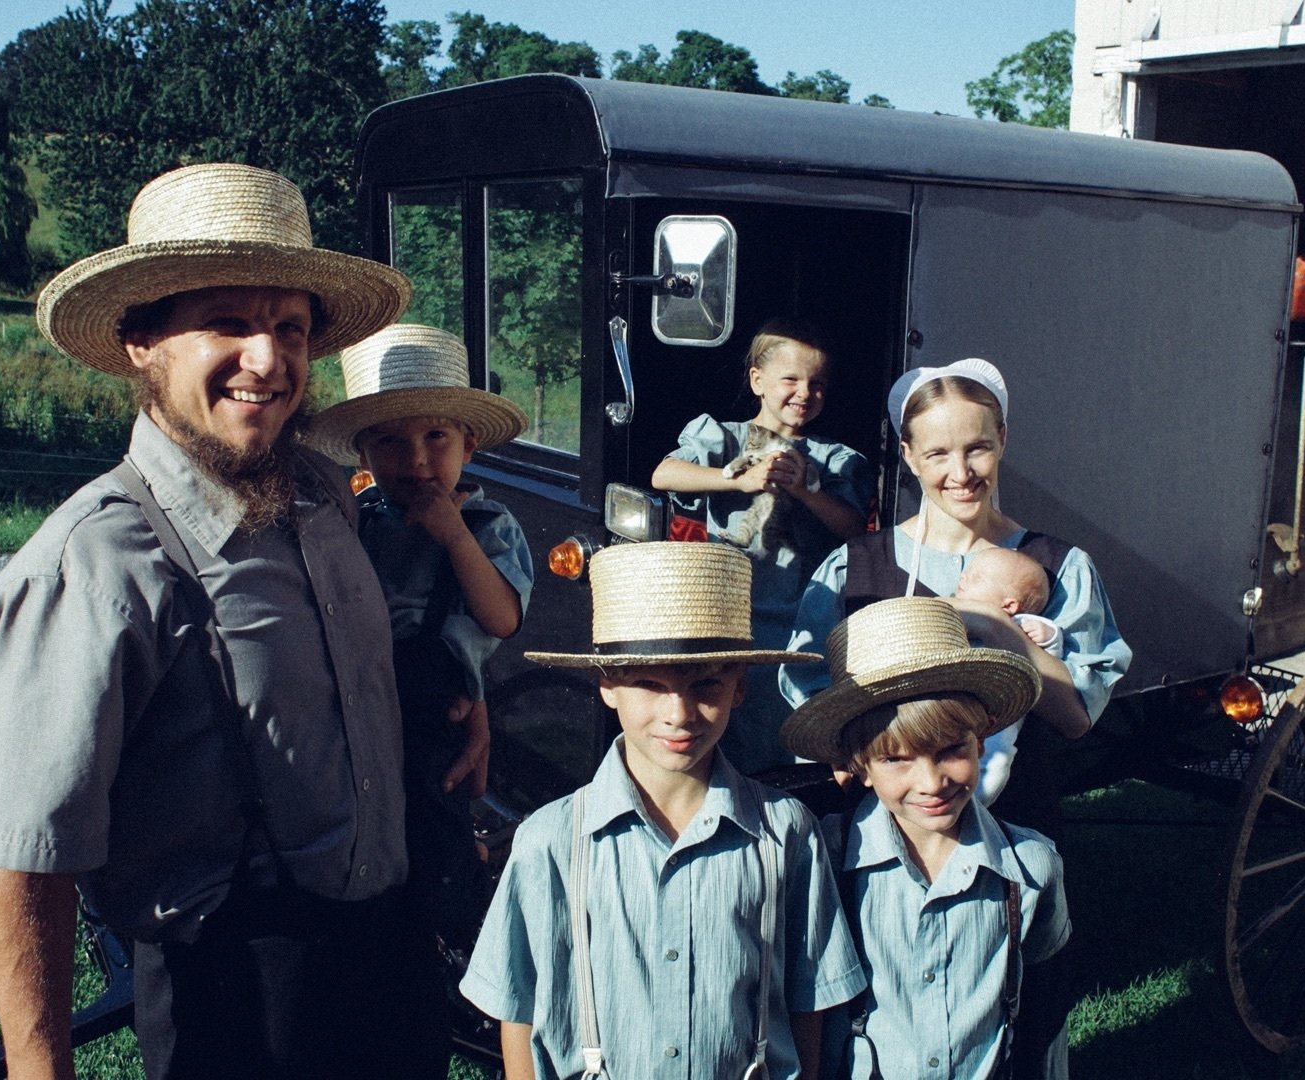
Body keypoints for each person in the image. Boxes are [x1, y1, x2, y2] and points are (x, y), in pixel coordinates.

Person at [0, 162, 471, 1079]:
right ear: (141, 340)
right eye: (228, 324)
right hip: (236, 1003)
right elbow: (26, 864)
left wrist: (456, 695)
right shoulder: (92, 563)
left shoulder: (327, 496)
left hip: (391, 956)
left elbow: (345, 670)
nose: (268, 359)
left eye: (288, 326)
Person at [461, 541, 866, 1080]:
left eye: (706, 685)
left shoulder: (787, 833)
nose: (678, 714)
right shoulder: (551, 840)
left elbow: (809, 1004)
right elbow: (519, 1007)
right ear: (608, 685)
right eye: (649, 684)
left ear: (739, 687)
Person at [781, 357, 1131, 831]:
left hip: (1010, 821)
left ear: (1003, 439)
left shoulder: (1055, 566)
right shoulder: (857, 566)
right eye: (938, 454)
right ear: (907, 455)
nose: (961, 472)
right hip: (878, 825)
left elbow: (1074, 716)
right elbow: (810, 691)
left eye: (978, 448)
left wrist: (993, 623)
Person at [780, 596, 1071, 1080]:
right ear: (860, 766)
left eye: (950, 750)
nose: (932, 782)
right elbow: (806, 1002)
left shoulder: (1033, 866)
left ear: (981, 740)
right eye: (897, 759)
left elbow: (1046, 1003)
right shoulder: (826, 859)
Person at [307, 322, 533, 945]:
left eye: (436, 437)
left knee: (436, 810)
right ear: (363, 456)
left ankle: (450, 926)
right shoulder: (360, 521)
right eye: (390, 442)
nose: (415, 460)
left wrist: (453, 535)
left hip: (440, 704)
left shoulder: (488, 524)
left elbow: (501, 618)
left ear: (470, 446)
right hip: (364, 696)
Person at [651, 317, 870, 775]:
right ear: (757, 380)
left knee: (790, 718)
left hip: (802, 617)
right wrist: (738, 478)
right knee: (729, 718)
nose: (804, 393)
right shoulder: (722, 436)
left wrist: (808, 492)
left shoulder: (833, 458)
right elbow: (664, 474)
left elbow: (854, 529)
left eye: (817, 384)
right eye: (790, 379)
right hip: (728, 612)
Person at [956, 545, 1063, 652]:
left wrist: (1050, 638)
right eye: (967, 571)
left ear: (1009, 605)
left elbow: (1049, 662)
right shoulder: (954, 608)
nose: (963, 576)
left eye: (977, 577)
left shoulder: (1020, 626)